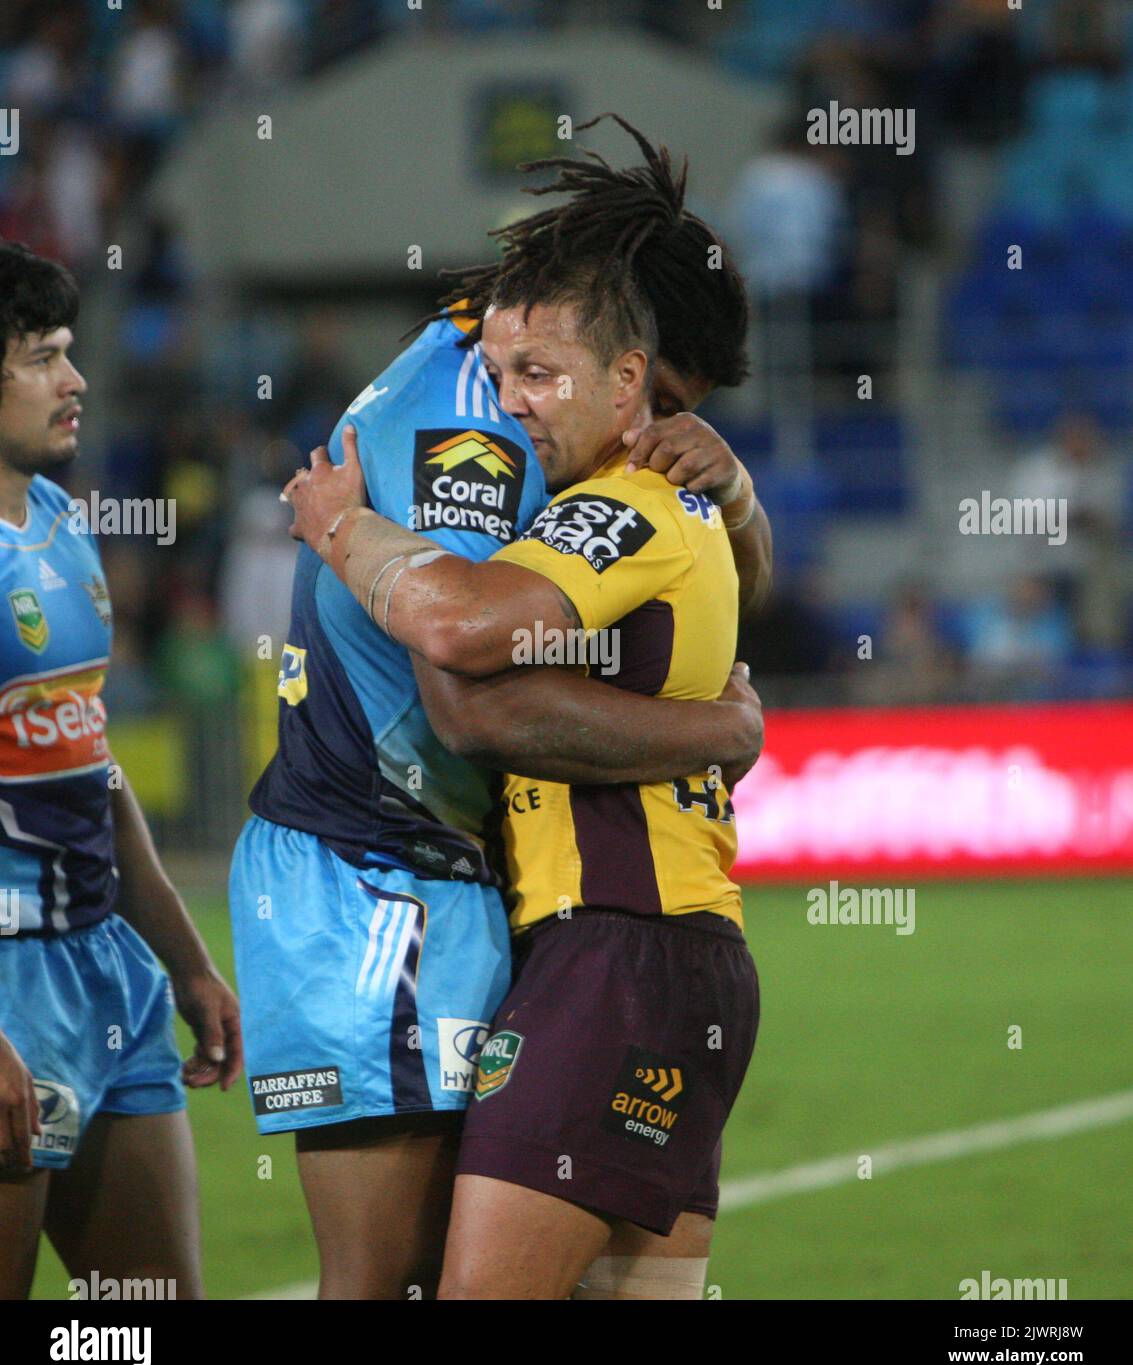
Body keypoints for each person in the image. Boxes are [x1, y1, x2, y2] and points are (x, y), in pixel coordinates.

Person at [231, 118, 770, 1299]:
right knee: (388, 1281)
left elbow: (723, 584)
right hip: (378, 868)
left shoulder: (544, 404)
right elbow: (467, 688)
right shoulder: (478, 428)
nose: (659, 445)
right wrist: (718, 732)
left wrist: (725, 479)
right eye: (667, 405)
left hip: (497, 885)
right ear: (631, 357)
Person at [0, 240, 241, 1301]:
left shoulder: (62, 523)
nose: (76, 379)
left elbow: (91, 768)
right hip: (6, 985)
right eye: (45, 357)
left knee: (139, 1318)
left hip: (109, 971)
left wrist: (185, 960)